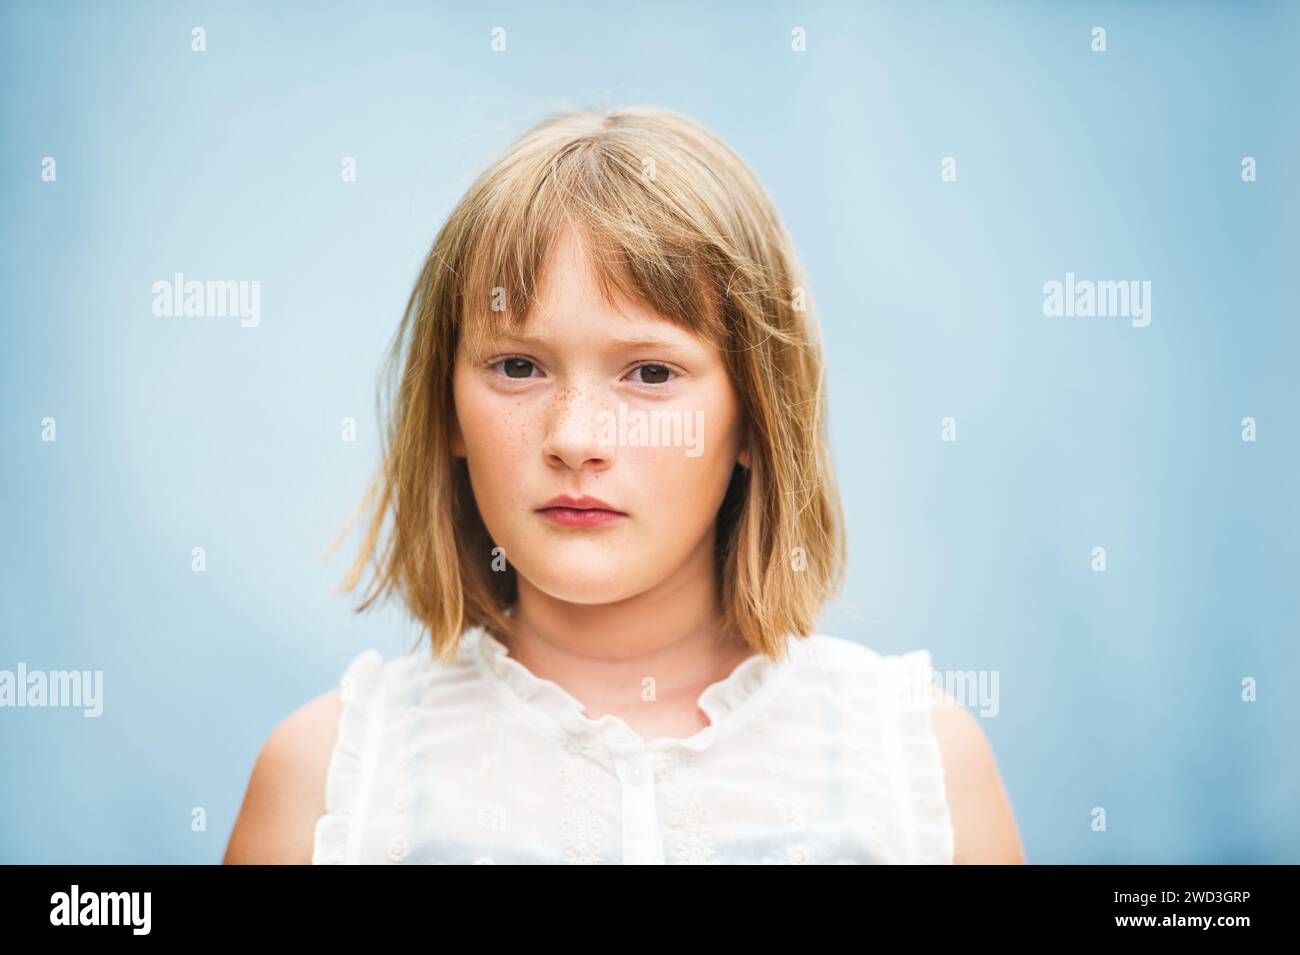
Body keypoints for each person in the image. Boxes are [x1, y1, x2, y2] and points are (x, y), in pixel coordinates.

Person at [224, 106, 1025, 865]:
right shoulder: (329, 781)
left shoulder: (918, 763)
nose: (576, 438)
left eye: (650, 372)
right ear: (449, 414)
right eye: (517, 366)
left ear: (754, 416)